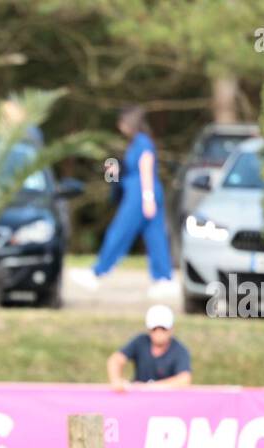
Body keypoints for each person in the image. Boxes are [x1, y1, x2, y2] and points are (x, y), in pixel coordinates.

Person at [70, 105, 176, 299]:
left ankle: (98, 272)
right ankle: (163, 278)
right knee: (155, 235)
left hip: (141, 194)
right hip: (144, 192)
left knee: (119, 232)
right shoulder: (136, 143)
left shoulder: (143, 143)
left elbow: (146, 167)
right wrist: (112, 172)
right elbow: (126, 170)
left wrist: (147, 197)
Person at [107, 305, 192, 390]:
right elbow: (115, 360)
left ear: (171, 329)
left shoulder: (180, 350)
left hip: (167, 398)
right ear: (148, 329)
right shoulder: (140, 342)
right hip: (138, 397)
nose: (159, 333)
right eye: (154, 329)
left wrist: (150, 387)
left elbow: (184, 379)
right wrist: (116, 380)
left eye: (163, 328)